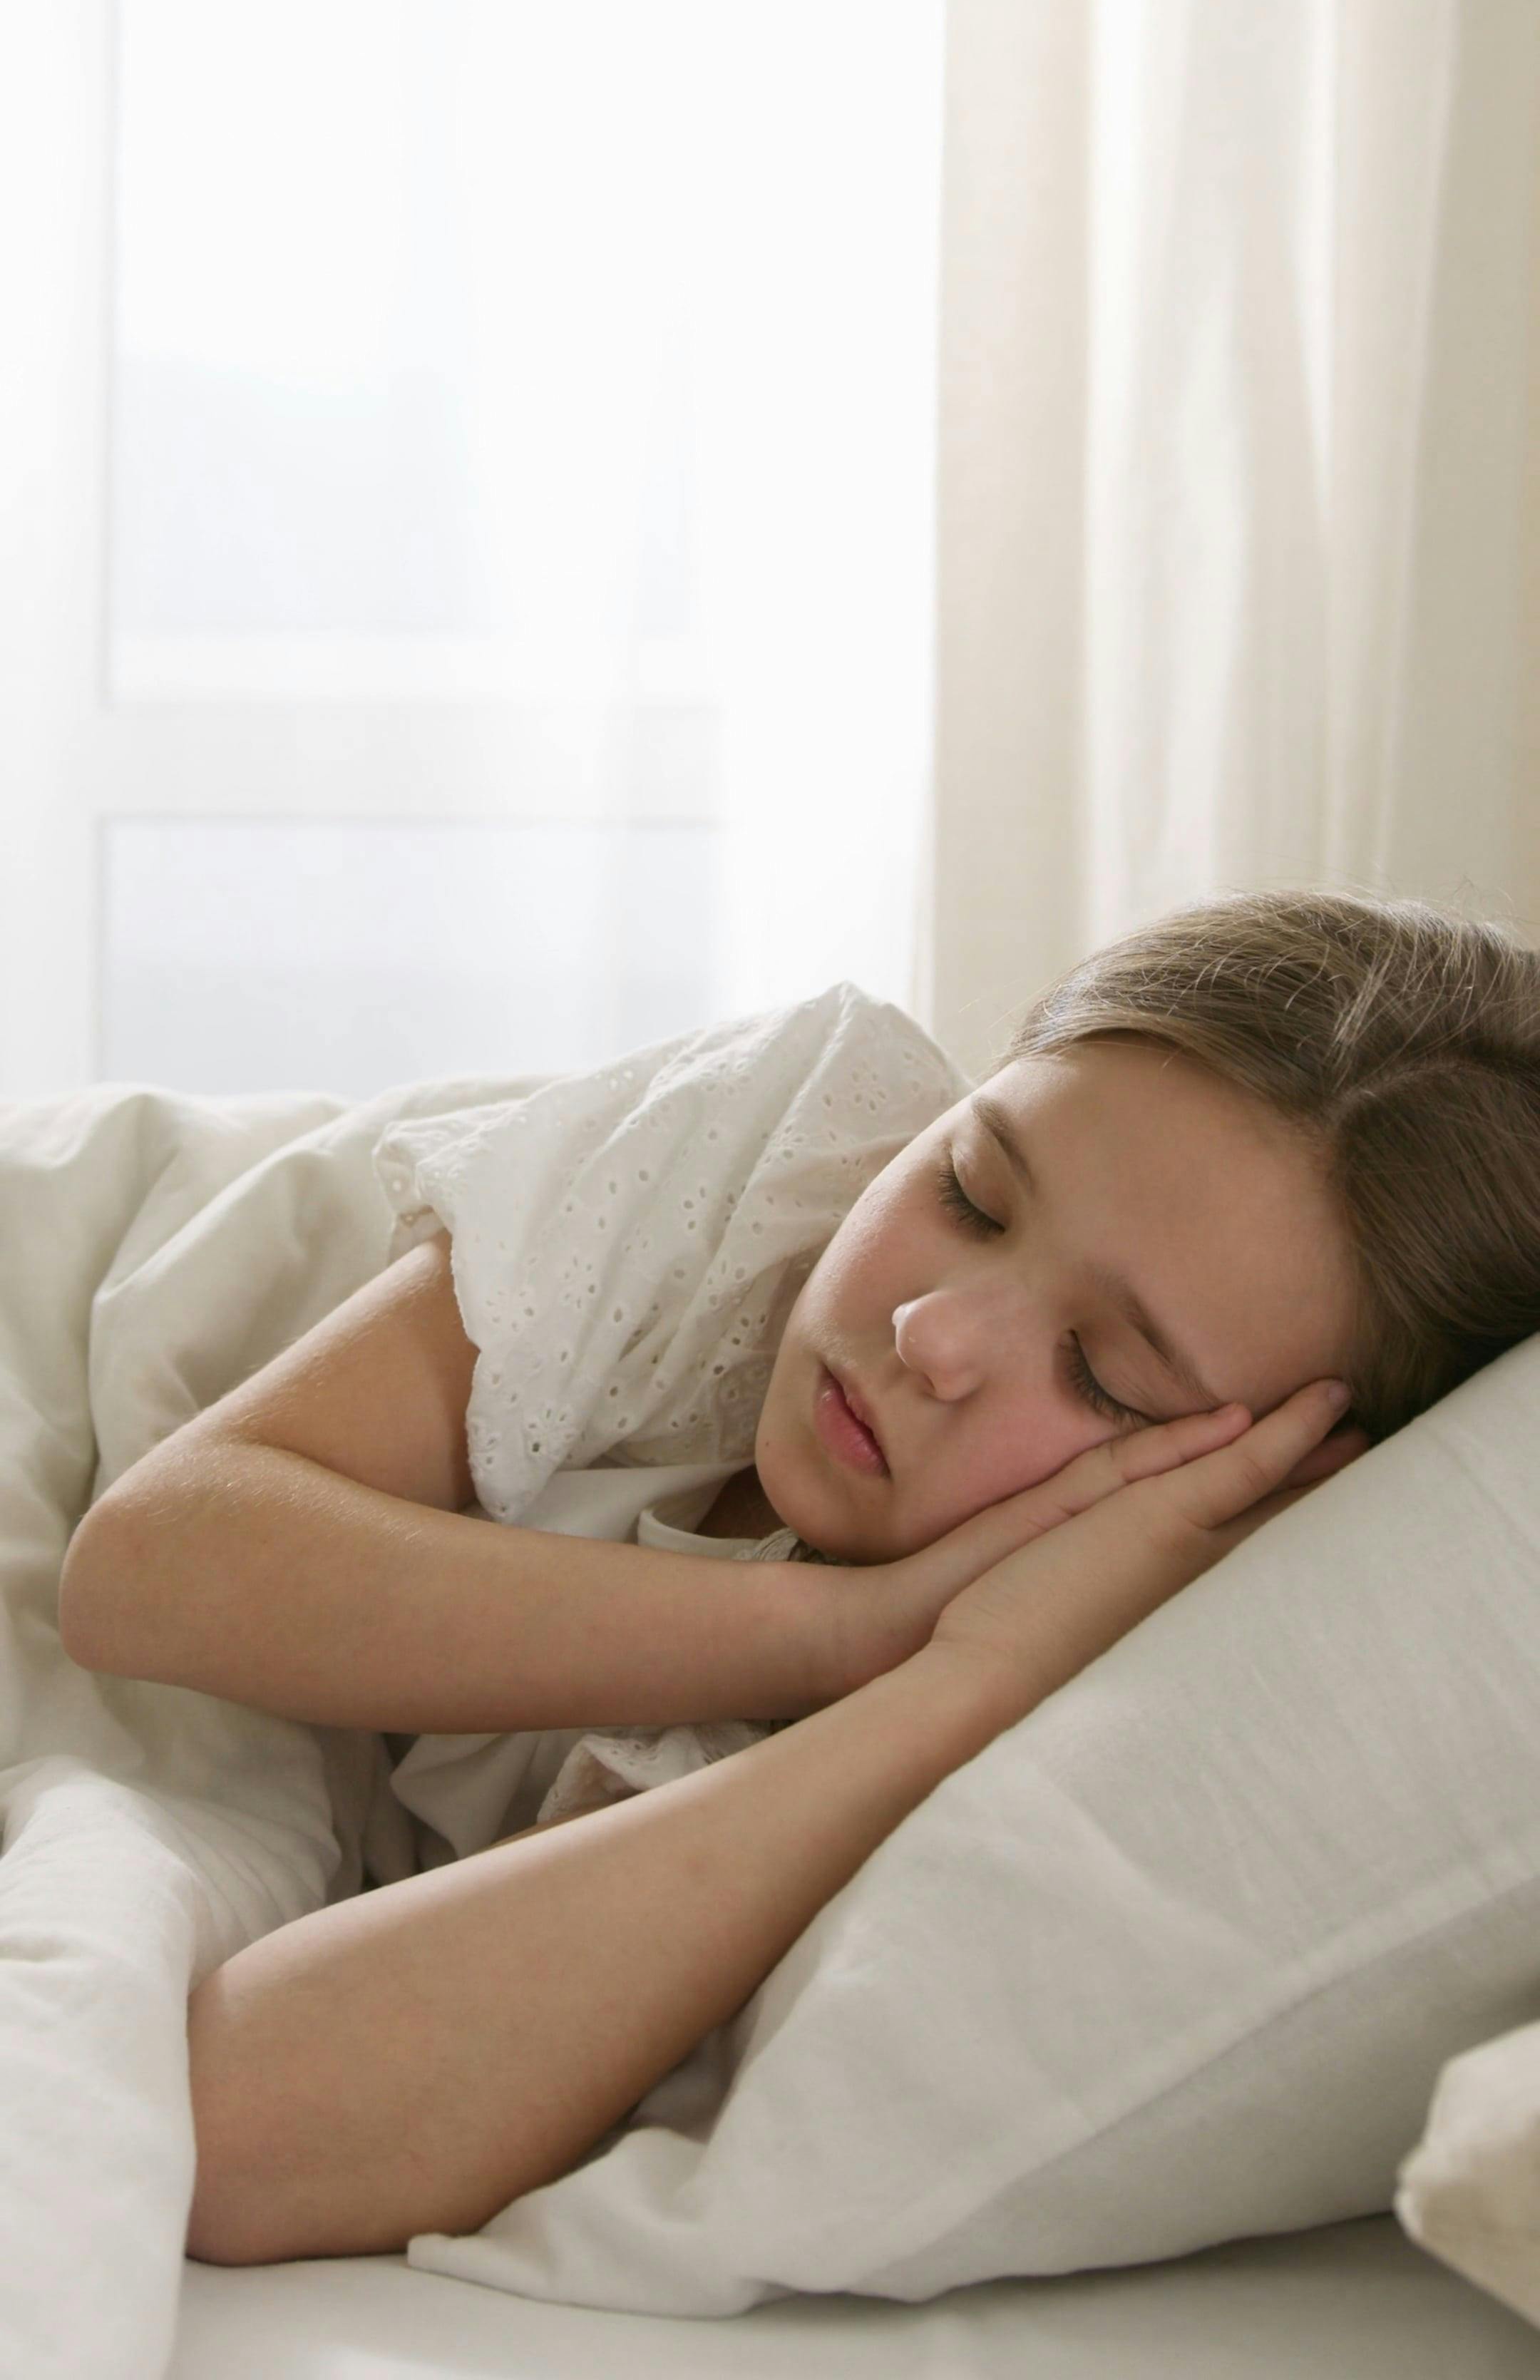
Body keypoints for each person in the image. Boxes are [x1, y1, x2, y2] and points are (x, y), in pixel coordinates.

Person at [57, 886, 1540, 2267]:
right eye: (969, 1187)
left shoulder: (1078, 1746)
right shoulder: (790, 1146)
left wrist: (954, 1685)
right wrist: (835, 1633)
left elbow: (226, 2125)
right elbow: (149, 1568)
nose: (930, 1328)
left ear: (1268, 1498)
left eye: (1104, 1375)